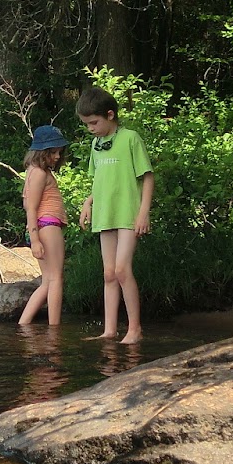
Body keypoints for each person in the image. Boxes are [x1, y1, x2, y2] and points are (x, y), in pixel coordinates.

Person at [75, 86, 155, 343]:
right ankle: (110, 330)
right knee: (108, 272)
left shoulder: (130, 138)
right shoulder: (96, 144)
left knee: (122, 270)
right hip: (105, 213)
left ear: (110, 115)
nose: (91, 128)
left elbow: (148, 177)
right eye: (87, 124)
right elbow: (100, 179)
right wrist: (88, 203)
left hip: (128, 214)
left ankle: (135, 329)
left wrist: (144, 213)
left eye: (94, 122)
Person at [18, 125, 70, 327]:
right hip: (47, 225)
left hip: (43, 226)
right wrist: (35, 239)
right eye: (52, 152)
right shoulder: (39, 173)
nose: (57, 156)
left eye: (59, 151)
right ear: (41, 151)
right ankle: (54, 330)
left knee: (48, 281)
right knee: (56, 279)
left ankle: (23, 325)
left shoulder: (34, 171)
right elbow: (30, 208)